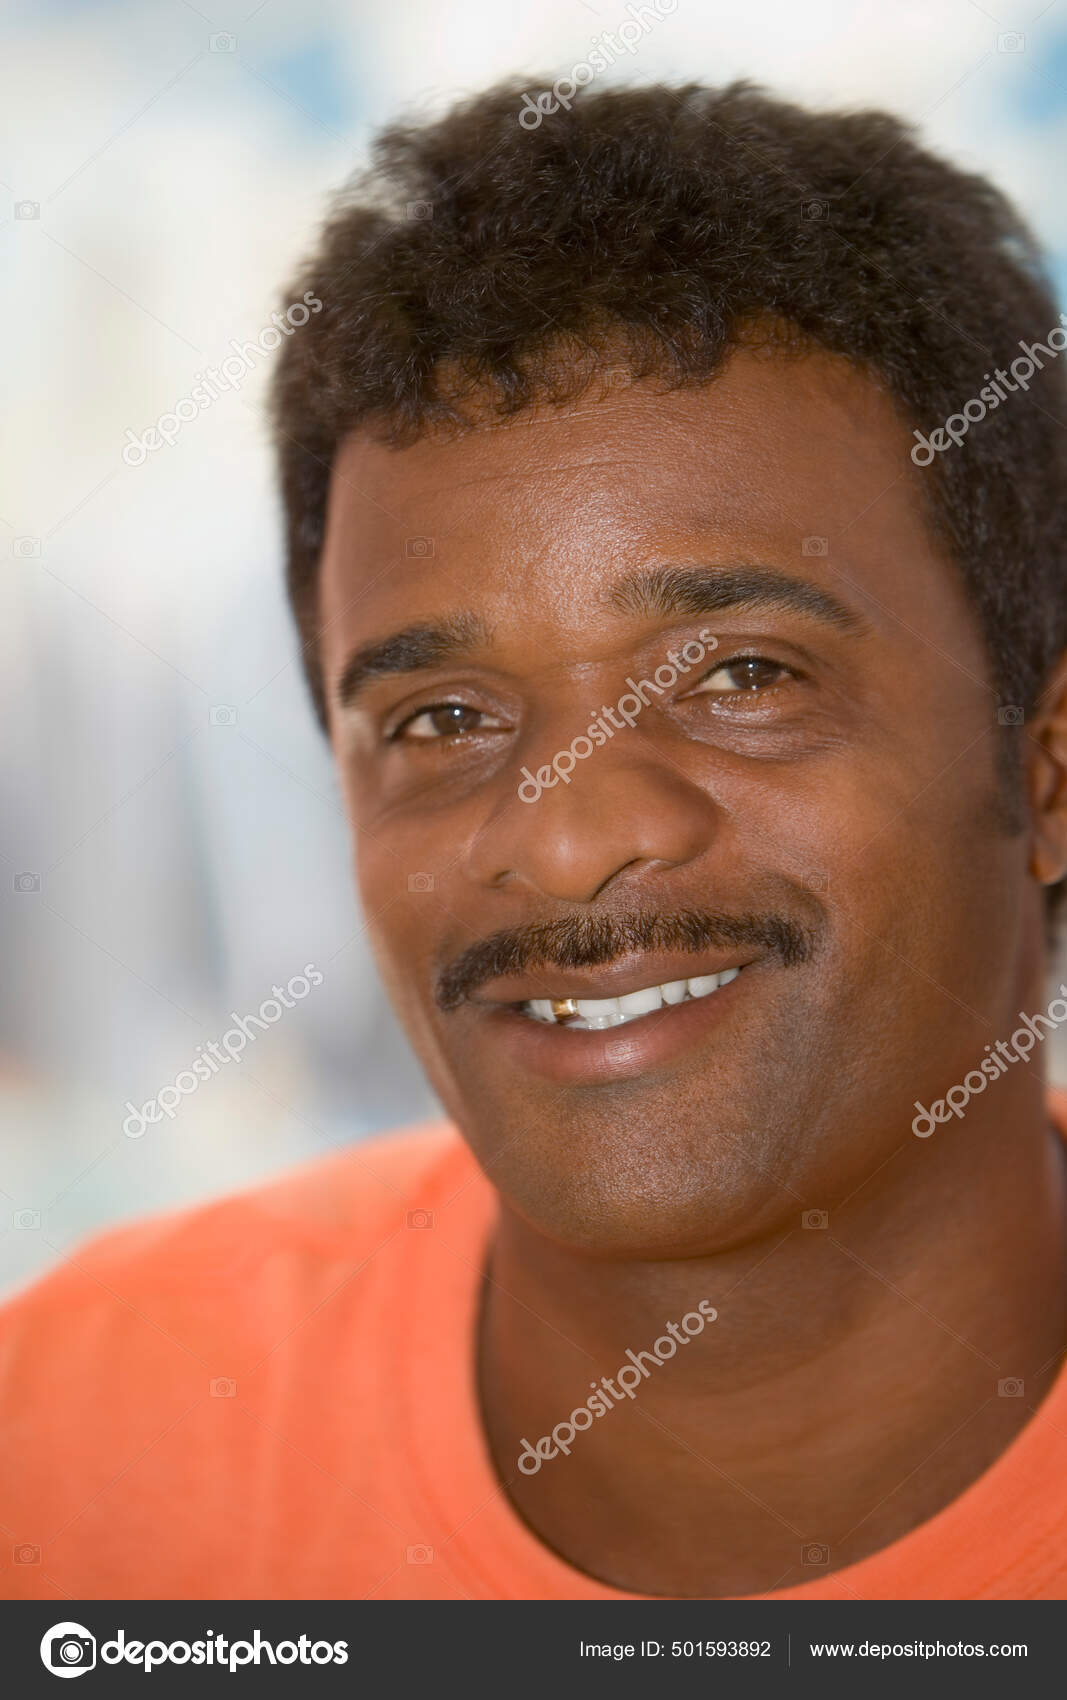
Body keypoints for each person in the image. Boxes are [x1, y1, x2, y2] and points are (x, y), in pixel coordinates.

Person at [4, 78, 1067, 1603]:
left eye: (740, 678)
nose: (565, 839)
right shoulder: (68, 1441)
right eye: (442, 719)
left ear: (1045, 768)